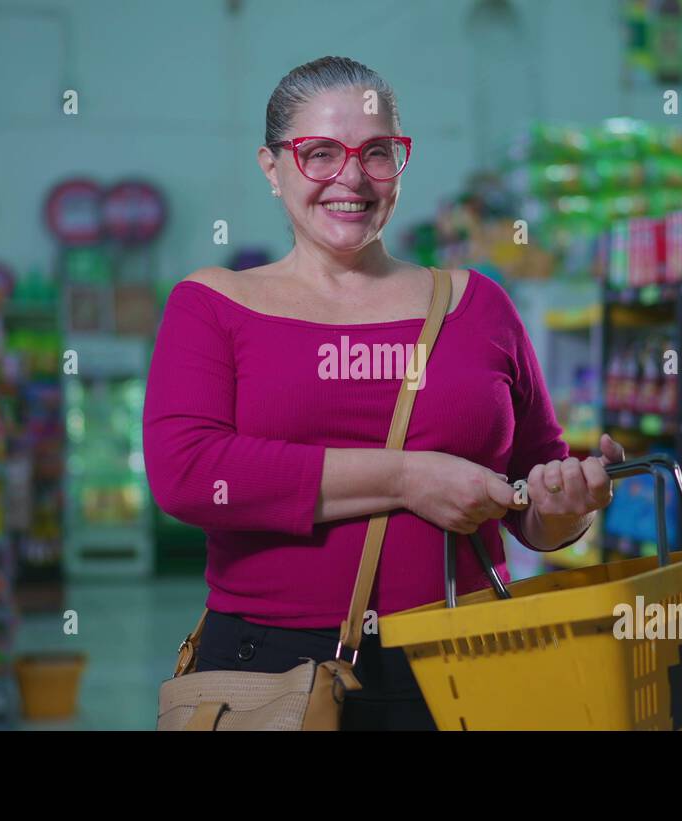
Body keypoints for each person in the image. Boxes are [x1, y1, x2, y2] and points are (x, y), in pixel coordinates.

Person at [143, 55, 624, 730]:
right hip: (271, 672)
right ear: (271, 166)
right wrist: (406, 478)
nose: (351, 177)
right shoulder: (213, 304)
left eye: (376, 152)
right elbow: (189, 474)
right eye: (319, 153)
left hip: (469, 664)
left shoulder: (476, 305)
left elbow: (532, 500)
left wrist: (568, 503)